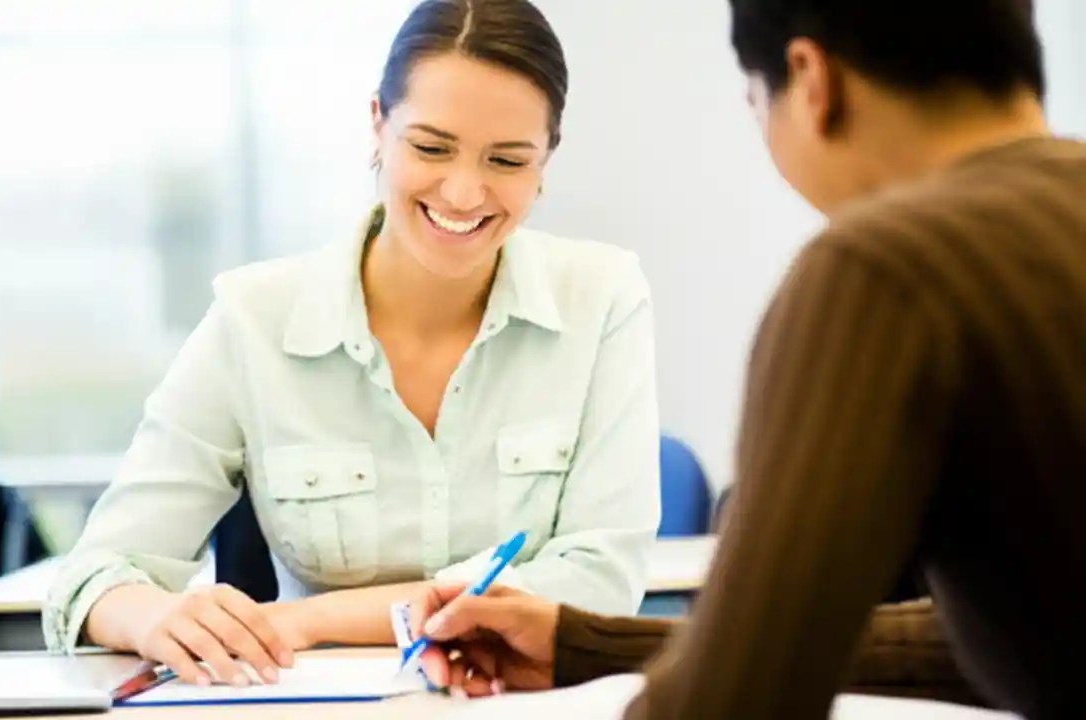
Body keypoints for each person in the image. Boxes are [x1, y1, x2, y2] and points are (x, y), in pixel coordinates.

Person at [408, 0, 1086, 717]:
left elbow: (738, 699)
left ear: (810, 78)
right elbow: (1009, 640)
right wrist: (593, 646)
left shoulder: (884, 269)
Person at [42, 0, 661, 689]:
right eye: (431, 147)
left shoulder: (602, 297)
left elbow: (601, 583)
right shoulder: (255, 318)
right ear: (378, 123)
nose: (463, 191)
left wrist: (306, 621)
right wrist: (151, 616)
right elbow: (96, 575)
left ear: (547, 159)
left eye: (507, 159)